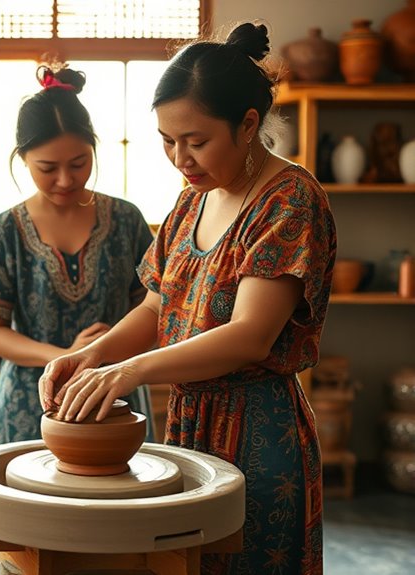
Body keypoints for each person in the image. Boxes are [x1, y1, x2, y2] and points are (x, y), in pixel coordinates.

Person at [38, 23, 335, 574]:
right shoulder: (189, 203)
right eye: (167, 141)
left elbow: (250, 335)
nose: (180, 158)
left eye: (196, 142)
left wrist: (127, 374)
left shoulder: (290, 200)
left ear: (249, 125)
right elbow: (157, 307)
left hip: (259, 432)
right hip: (190, 426)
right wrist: (93, 356)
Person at [0, 63, 155, 446]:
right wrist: (65, 355)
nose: (66, 180)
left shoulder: (127, 220)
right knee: (28, 500)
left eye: (79, 163)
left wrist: (106, 349)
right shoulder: (3, 233)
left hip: (115, 398)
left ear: (93, 150)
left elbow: (152, 311)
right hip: (29, 403)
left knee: (119, 499)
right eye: (47, 168)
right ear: (22, 159)